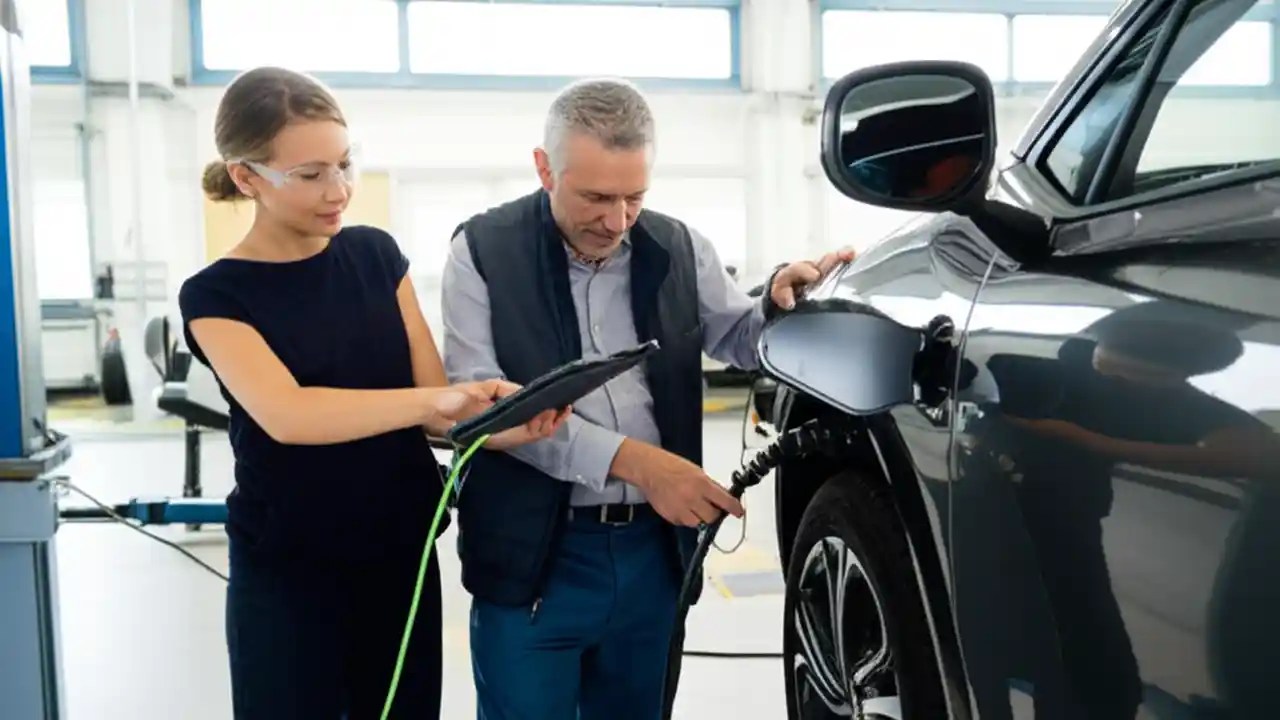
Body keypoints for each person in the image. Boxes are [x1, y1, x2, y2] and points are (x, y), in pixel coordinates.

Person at [440, 77, 853, 719]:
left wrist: (777, 303)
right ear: (544, 168)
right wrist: (639, 463)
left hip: (650, 561)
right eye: (597, 197)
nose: (617, 220)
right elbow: (484, 409)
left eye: (634, 196)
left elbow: (739, 335)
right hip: (532, 560)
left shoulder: (678, 247)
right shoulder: (483, 251)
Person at [178, 67, 569, 720]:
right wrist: (434, 404)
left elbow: (434, 405)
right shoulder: (216, 295)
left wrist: (499, 425)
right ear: (246, 177)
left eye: (345, 164)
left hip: (398, 556)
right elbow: (289, 415)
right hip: (290, 572)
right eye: (310, 175)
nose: (339, 191)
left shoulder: (374, 255)